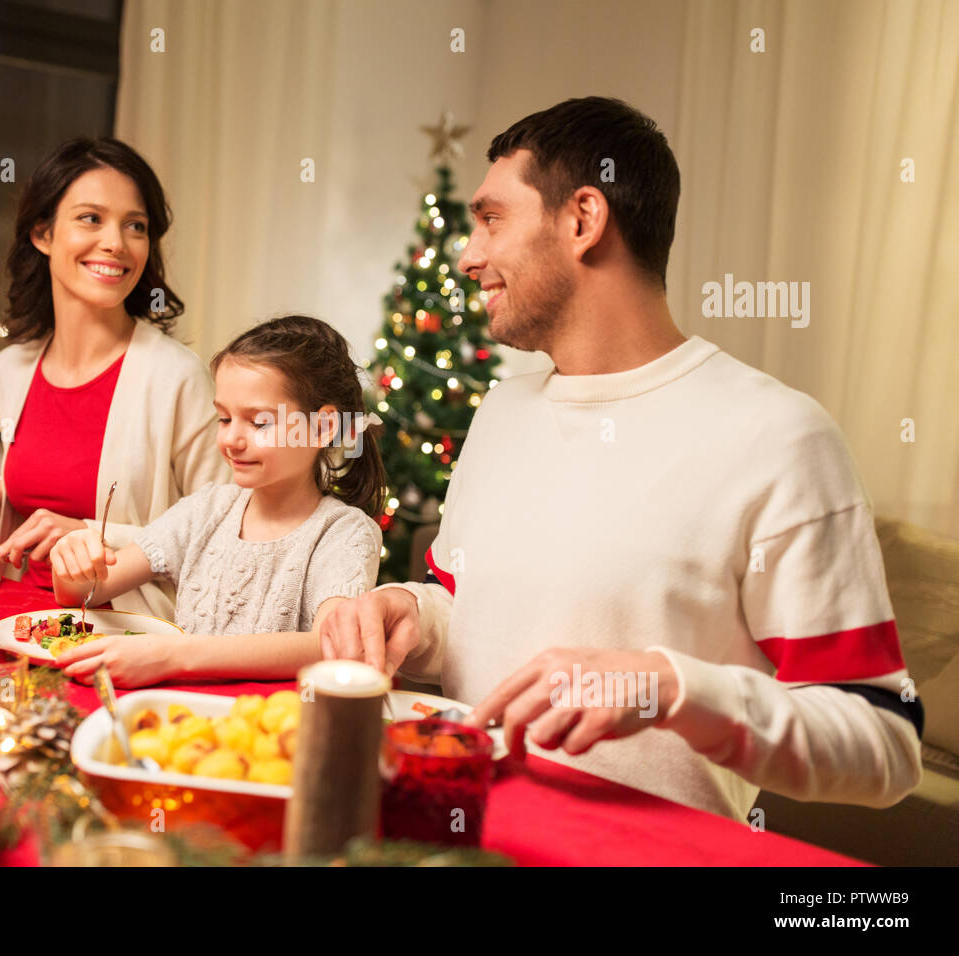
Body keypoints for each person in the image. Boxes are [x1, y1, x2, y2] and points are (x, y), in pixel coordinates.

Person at [320, 97, 923, 822]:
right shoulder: (503, 410)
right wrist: (414, 613)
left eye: (490, 219)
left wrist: (669, 688)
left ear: (583, 219)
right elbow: (470, 607)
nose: (469, 255)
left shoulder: (781, 436)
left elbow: (885, 748)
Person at [0, 137, 227, 619]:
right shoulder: (13, 369)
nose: (116, 242)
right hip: (15, 623)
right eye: (91, 218)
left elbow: (221, 538)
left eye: (135, 225)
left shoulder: (177, 378)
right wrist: (1, 489)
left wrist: (95, 535)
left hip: (122, 640)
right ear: (43, 234)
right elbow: (70, 476)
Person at [50, 315, 386, 687]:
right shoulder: (207, 510)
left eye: (259, 423)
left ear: (324, 427)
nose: (232, 440)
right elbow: (84, 592)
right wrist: (73, 563)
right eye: (224, 418)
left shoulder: (343, 533)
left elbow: (329, 645)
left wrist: (173, 655)